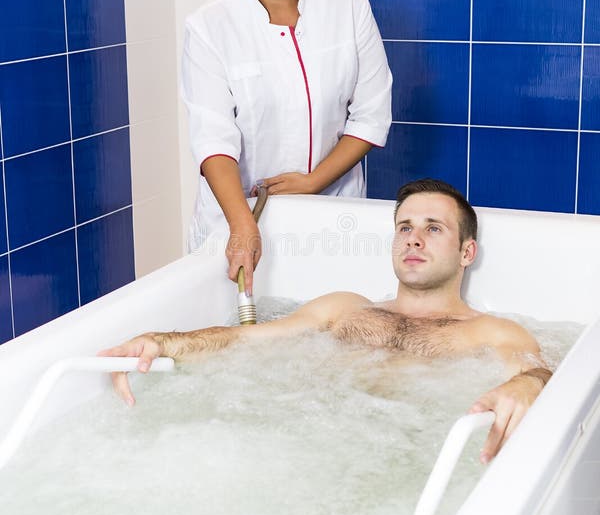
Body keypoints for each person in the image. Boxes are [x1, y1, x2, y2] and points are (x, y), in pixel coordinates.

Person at [101, 179, 552, 464]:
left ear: (466, 252)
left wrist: (527, 384)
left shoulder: (492, 332)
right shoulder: (343, 308)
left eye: (434, 228)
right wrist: (162, 342)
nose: (414, 238)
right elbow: (250, 340)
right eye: (404, 227)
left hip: (407, 454)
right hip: (303, 440)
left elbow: (537, 374)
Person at [182, 0, 392, 293]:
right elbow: (213, 140)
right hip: (237, 220)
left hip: (333, 213)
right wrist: (242, 224)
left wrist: (315, 180)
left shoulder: (348, 6)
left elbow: (371, 116)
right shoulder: (209, 26)